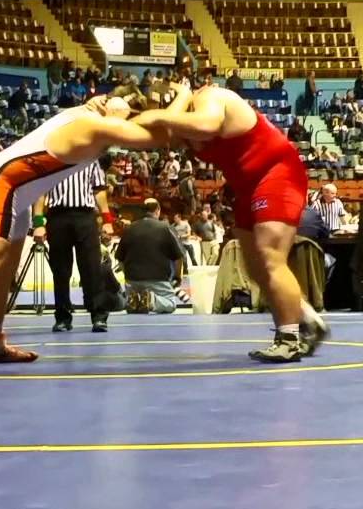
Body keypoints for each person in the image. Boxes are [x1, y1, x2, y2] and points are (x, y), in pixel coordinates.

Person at [0, 89, 170, 368]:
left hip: (19, 190)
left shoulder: (89, 114)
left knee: (3, 273)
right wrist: (178, 98)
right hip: (2, 182)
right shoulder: (92, 124)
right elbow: (157, 137)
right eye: (127, 114)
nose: (128, 121)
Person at [134, 84, 329, 362]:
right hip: (245, 186)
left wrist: (161, 115)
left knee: (270, 257)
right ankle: (308, 320)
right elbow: (155, 135)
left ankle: (289, 338)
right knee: (254, 267)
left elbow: (207, 124)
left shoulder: (212, 97)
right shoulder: (181, 121)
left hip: (277, 173)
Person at [32, 159, 113, 333]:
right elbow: (40, 193)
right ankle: (62, 317)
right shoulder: (51, 162)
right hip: (57, 216)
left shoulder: (91, 161)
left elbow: (99, 191)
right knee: (60, 270)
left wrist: (107, 220)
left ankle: (98, 316)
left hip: (85, 216)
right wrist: (38, 223)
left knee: (92, 268)